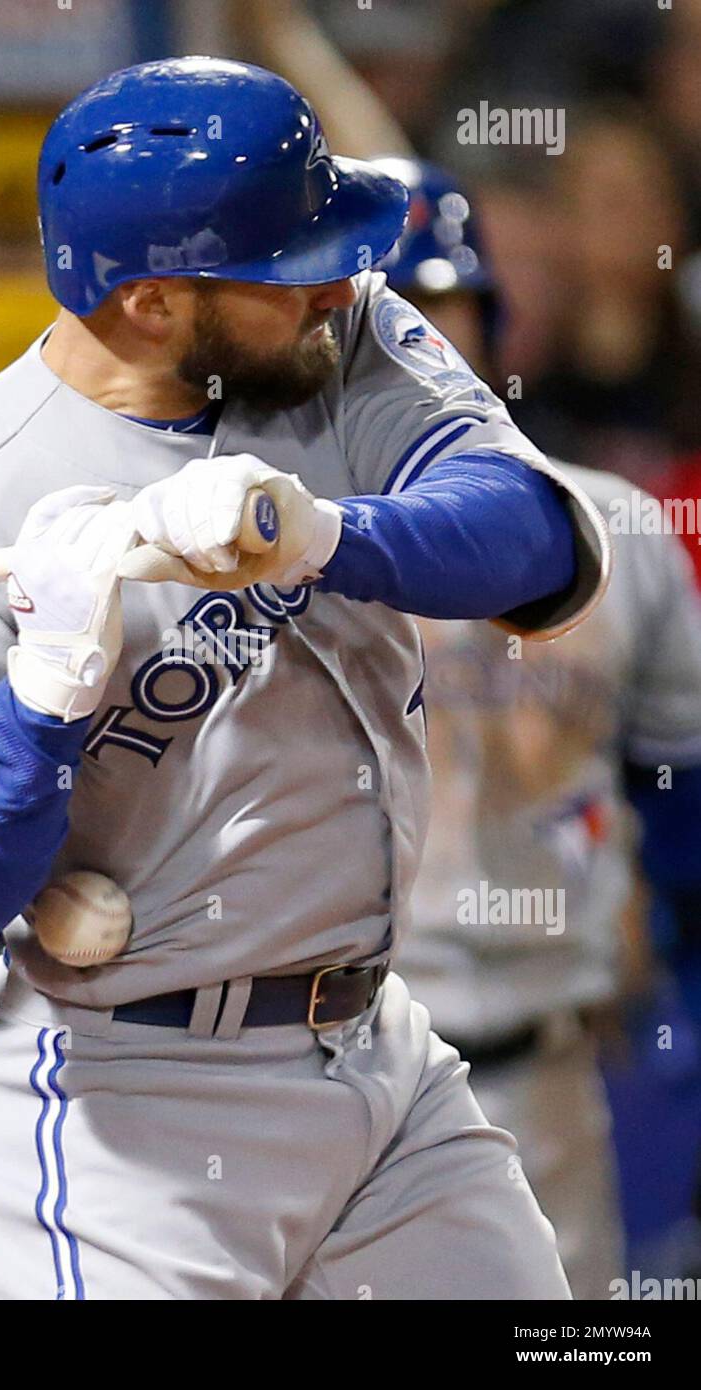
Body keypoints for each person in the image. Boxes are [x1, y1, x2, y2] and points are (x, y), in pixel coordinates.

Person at [0, 58, 609, 1301]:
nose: (333, 280)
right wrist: (40, 700)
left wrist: (325, 534)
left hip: (374, 1065)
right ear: (153, 303)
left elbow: (534, 540)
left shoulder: (343, 332)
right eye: (282, 270)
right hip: (120, 1114)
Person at [375, 156, 701, 1298]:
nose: (423, 345)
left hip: (548, 1069)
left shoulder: (618, 533)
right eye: (392, 315)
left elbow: (683, 799)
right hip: (331, 1065)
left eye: (444, 309)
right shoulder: (267, 545)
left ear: (493, 325)